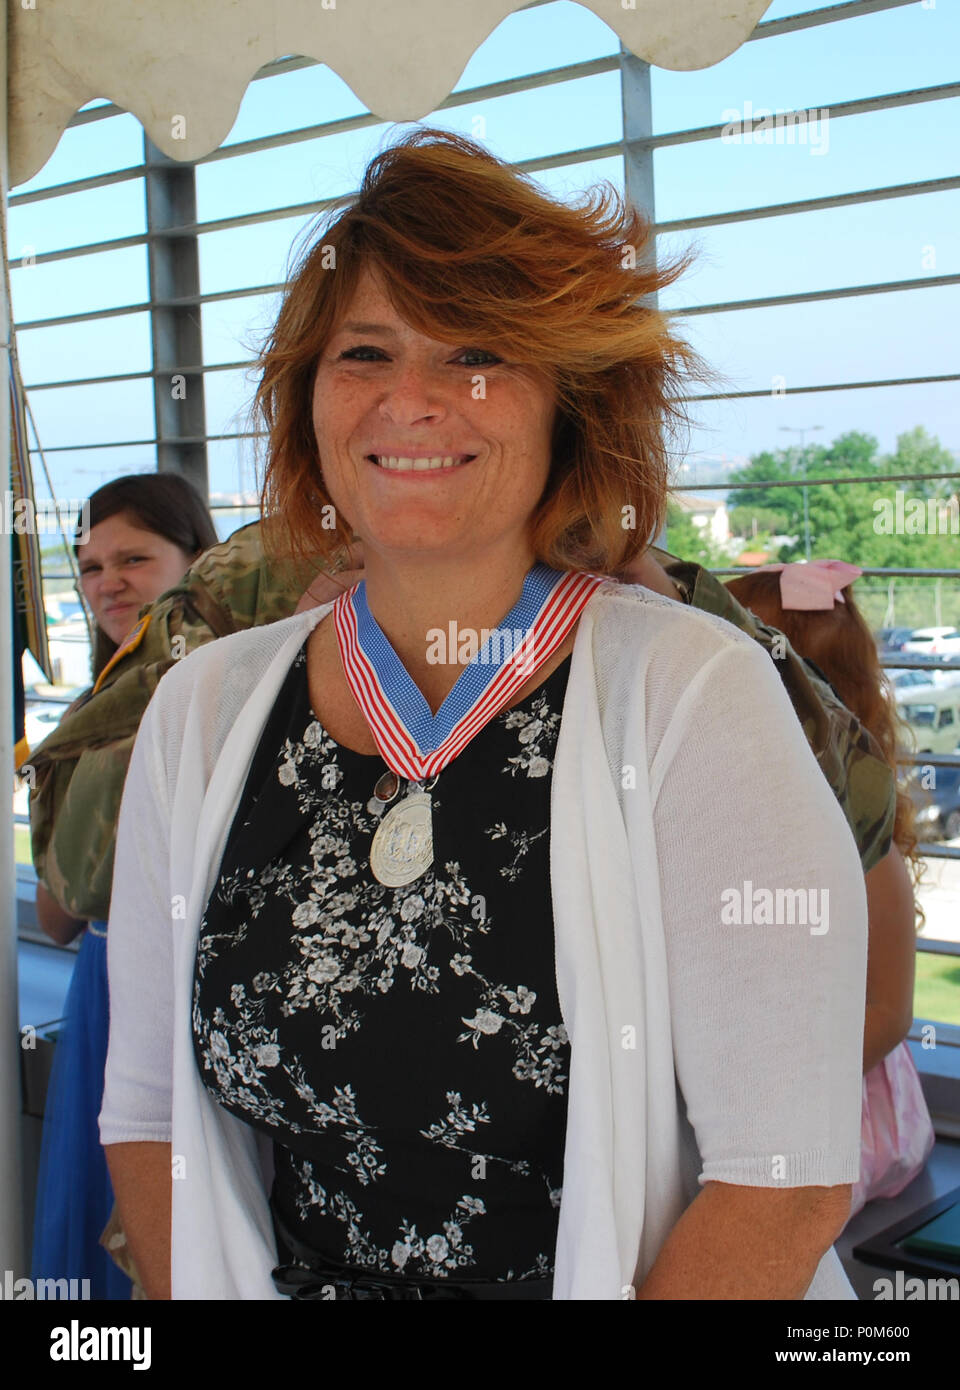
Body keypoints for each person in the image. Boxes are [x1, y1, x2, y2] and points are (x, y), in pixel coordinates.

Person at [100, 127, 871, 1300]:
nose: (410, 398)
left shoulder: (687, 696)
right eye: (365, 350)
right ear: (311, 397)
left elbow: (785, 1183)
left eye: (477, 351)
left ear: (569, 402)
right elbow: (150, 1112)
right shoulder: (204, 711)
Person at [29, 473, 218, 1298]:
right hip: (107, 983)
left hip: (196, 991)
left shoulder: (233, 700)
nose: (107, 582)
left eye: (134, 558)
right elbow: (58, 913)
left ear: (199, 565)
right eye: (91, 565)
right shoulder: (96, 711)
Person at [724, 559, 935, 1216]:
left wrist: (776, 1103)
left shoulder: (858, 842)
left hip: (834, 1119)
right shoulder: (722, 812)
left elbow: (889, 1013)